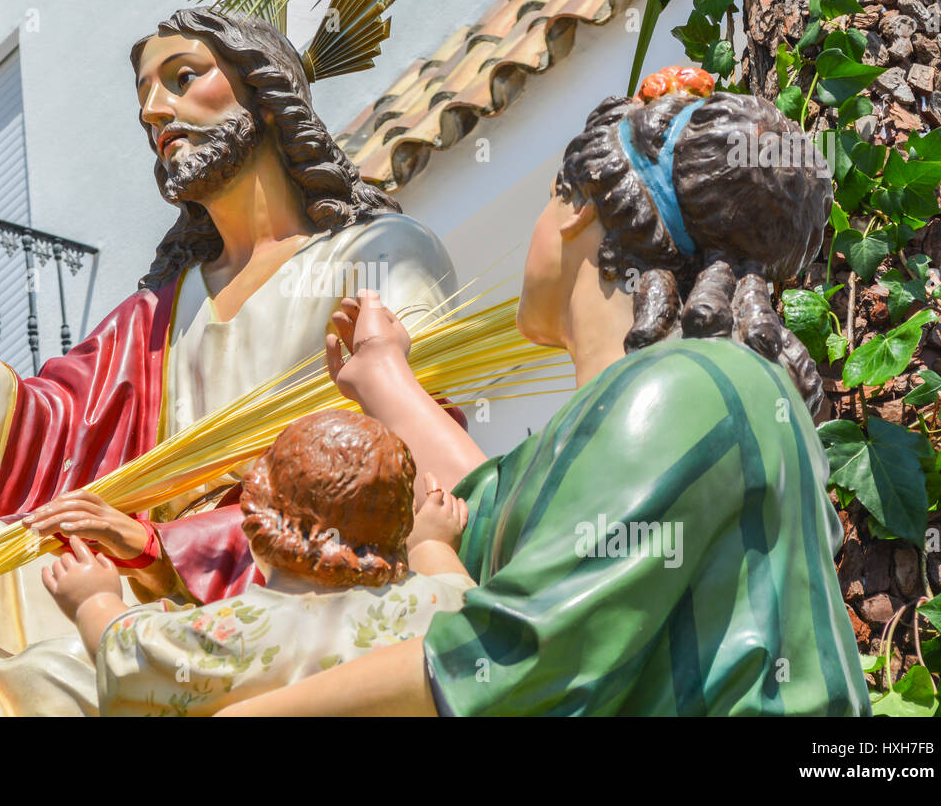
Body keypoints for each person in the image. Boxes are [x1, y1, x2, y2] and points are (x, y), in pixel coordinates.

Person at [0, 6, 457, 716]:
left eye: (184, 78)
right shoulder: (155, 317)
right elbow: (27, 445)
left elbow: (410, 466)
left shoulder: (377, 255)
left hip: (293, 589)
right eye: (145, 102)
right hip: (131, 579)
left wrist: (164, 545)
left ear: (264, 92)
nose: (158, 111)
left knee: (57, 669)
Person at [219, 67, 872, 716]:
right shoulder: (660, 400)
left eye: (546, 199)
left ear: (581, 206)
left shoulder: (690, 384)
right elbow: (489, 514)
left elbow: (521, 658)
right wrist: (382, 375)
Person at [42, 409, 473, 715]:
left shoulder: (239, 629)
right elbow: (460, 594)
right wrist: (432, 544)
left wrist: (93, 601)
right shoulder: (437, 603)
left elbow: (130, 656)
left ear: (257, 524)